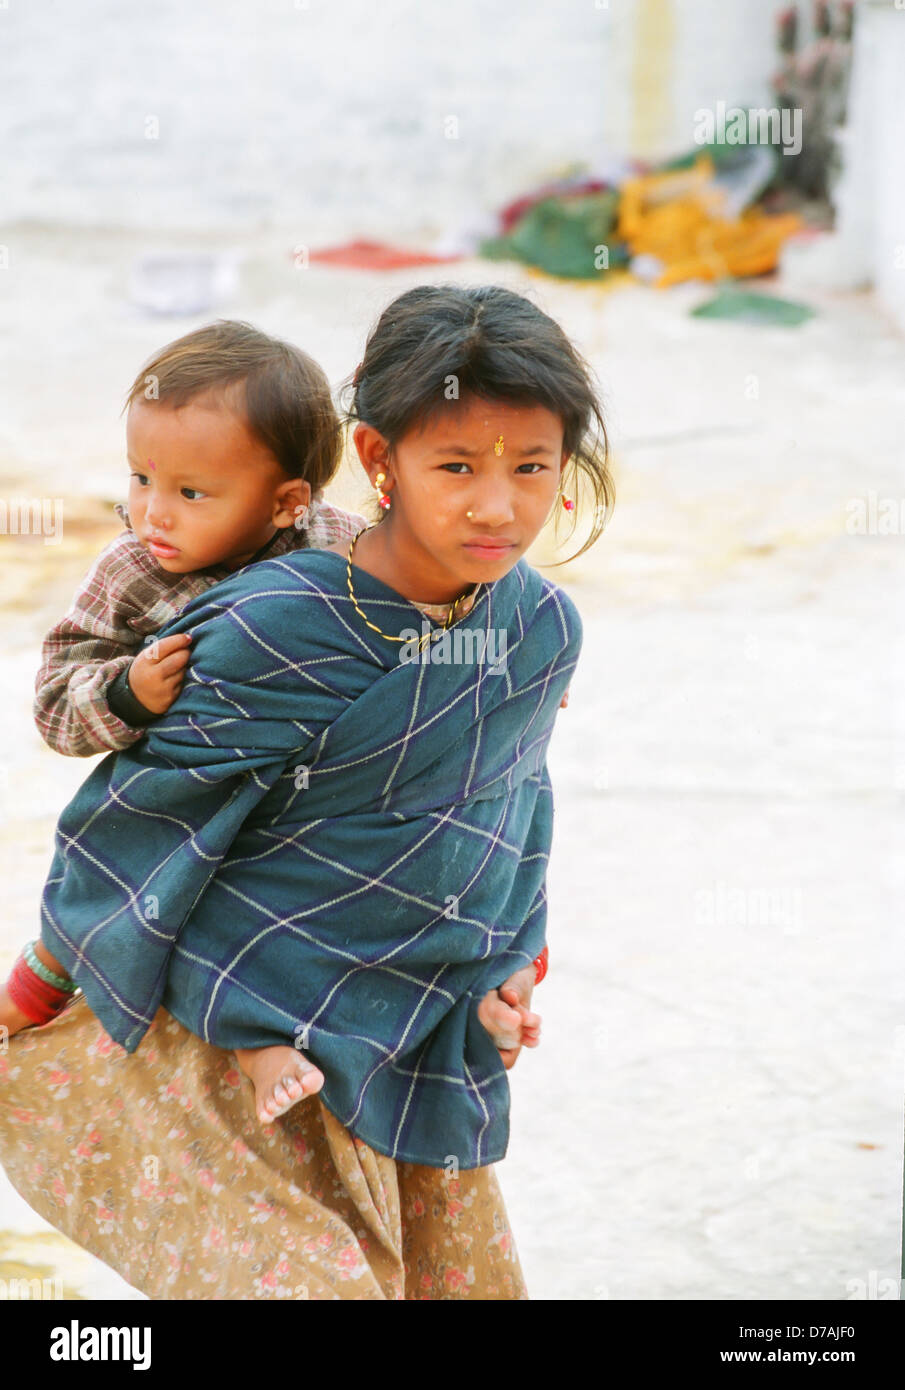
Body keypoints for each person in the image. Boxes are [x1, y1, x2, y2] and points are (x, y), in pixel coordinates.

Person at [0, 283, 613, 1298]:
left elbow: (508, 816)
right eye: (455, 466)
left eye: (532, 467)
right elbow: (136, 830)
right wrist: (41, 984)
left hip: (403, 1046)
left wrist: (514, 961)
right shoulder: (267, 627)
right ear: (377, 460)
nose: (497, 506)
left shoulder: (540, 630)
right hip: (220, 1052)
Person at [1, 318, 367, 1122]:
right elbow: (55, 707)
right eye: (139, 478)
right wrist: (126, 693)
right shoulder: (132, 570)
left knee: (280, 911)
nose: (152, 513)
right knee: (125, 893)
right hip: (169, 807)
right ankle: (45, 978)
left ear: (287, 502)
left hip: (293, 804)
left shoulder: (341, 556)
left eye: (190, 493)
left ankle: (265, 1040)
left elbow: (403, 633)